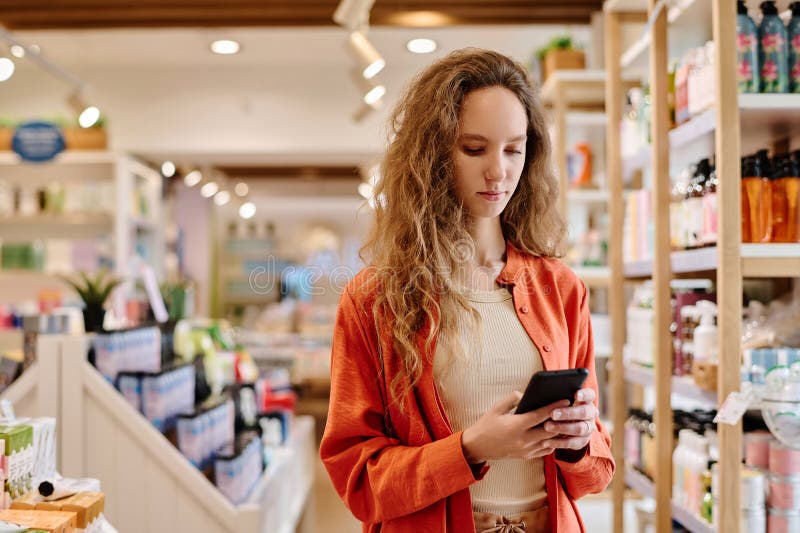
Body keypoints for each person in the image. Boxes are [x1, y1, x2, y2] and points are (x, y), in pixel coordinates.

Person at [320, 48, 614, 533]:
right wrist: (471, 448)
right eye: (474, 149)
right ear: (433, 157)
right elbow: (358, 481)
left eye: (514, 149)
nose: (498, 171)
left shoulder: (561, 288)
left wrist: (578, 442)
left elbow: (596, 475)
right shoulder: (373, 299)